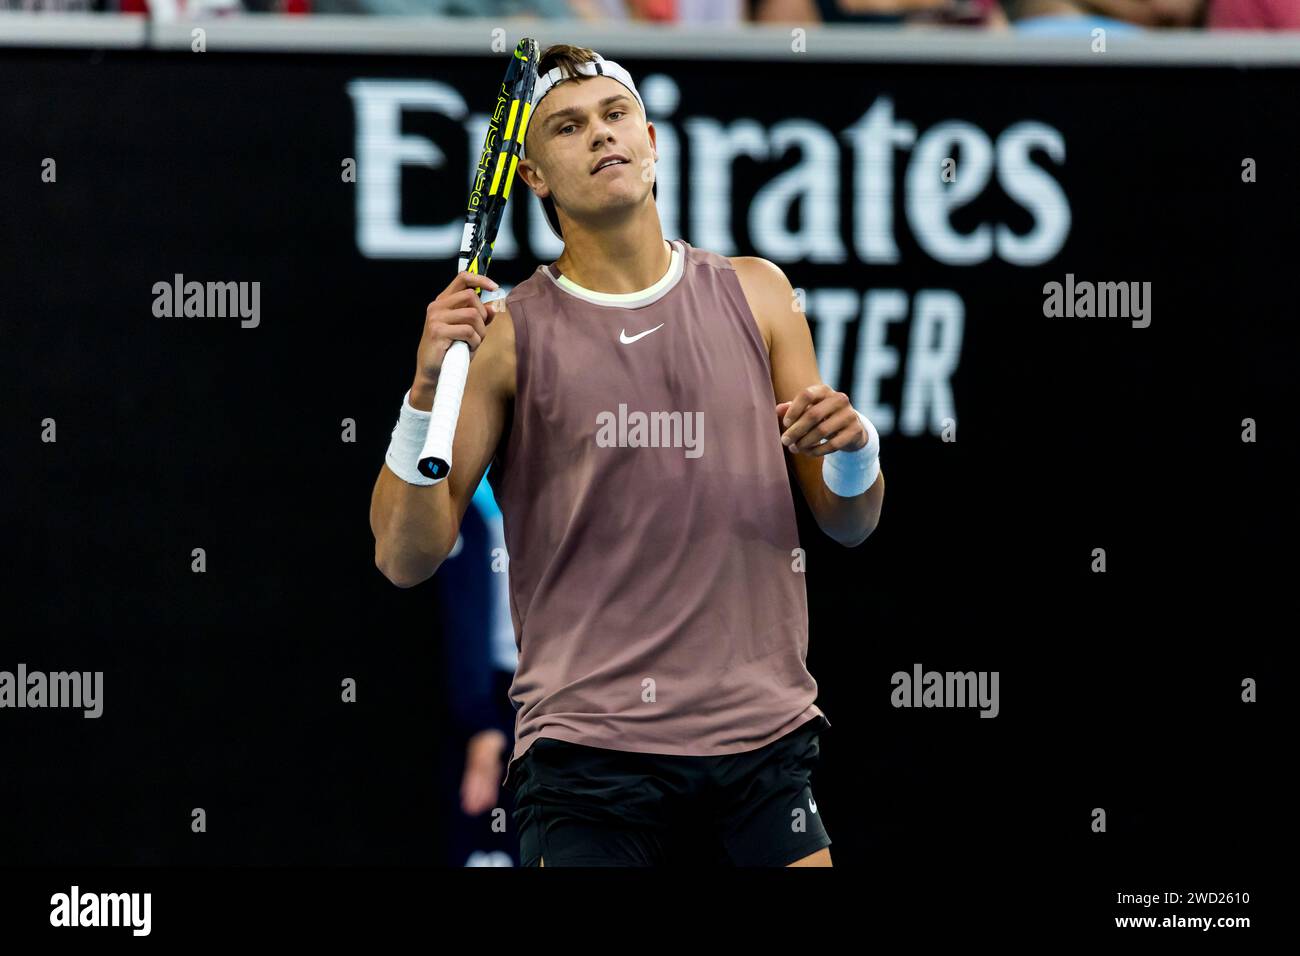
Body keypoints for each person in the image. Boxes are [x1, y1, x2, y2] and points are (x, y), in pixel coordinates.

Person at [371, 44, 885, 867]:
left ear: (650, 139)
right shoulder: (504, 337)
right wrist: (426, 390)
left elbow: (848, 522)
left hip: (762, 750)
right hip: (587, 763)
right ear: (532, 176)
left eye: (615, 116)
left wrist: (856, 451)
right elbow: (403, 557)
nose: (601, 136)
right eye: (568, 127)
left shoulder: (759, 294)